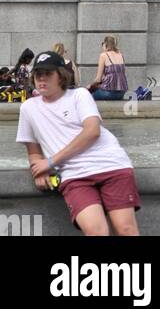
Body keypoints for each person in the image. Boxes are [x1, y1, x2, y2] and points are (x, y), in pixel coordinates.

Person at [17, 49, 140, 236]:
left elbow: (92, 132)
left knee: (126, 229)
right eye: (38, 74)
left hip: (111, 165)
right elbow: (33, 150)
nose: (42, 79)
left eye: (48, 74)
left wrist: (51, 162)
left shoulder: (79, 95)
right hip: (75, 175)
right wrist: (38, 170)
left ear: (61, 76)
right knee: (96, 231)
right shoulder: (28, 108)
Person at [88, 36, 128, 102]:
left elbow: (98, 79)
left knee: (88, 96)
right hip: (121, 93)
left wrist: (90, 86)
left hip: (108, 92)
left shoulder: (103, 55)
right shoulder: (120, 55)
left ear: (105, 44)